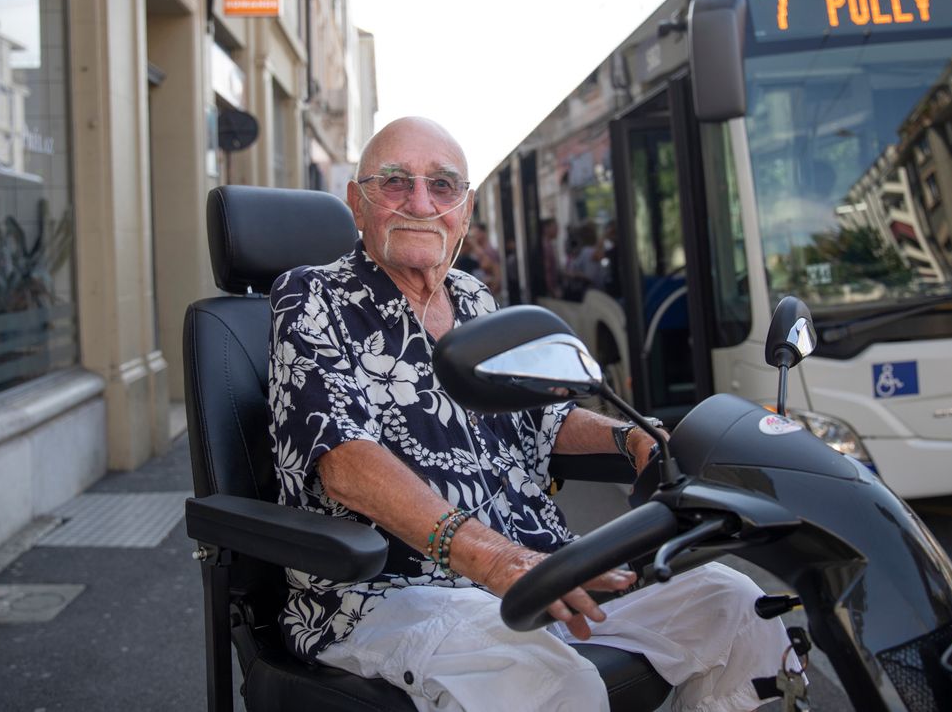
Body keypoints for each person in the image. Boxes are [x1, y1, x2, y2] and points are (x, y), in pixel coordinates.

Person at [267, 116, 794, 712]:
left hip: (542, 564)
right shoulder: (312, 295)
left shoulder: (474, 298)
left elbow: (540, 419)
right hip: (394, 592)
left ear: (464, 211)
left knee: (735, 606)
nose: (419, 201)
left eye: (442, 186)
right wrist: (496, 560)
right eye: (394, 183)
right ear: (356, 204)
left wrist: (635, 441)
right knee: (549, 685)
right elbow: (344, 459)